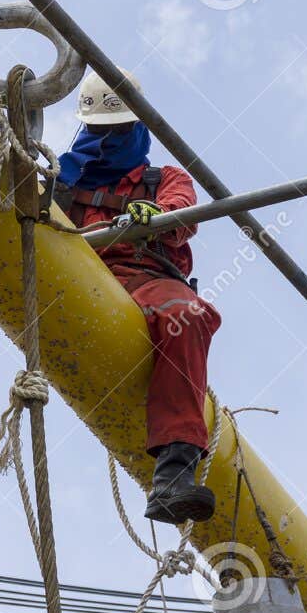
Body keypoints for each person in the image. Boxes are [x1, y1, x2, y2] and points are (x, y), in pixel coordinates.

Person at [54, 71, 221, 524]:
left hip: (148, 277)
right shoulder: (61, 181)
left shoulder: (162, 179)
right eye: (102, 132)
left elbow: (184, 215)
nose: (111, 140)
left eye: (120, 130)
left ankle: (174, 476)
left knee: (186, 316)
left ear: (139, 127)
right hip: (82, 276)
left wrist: (158, 216)